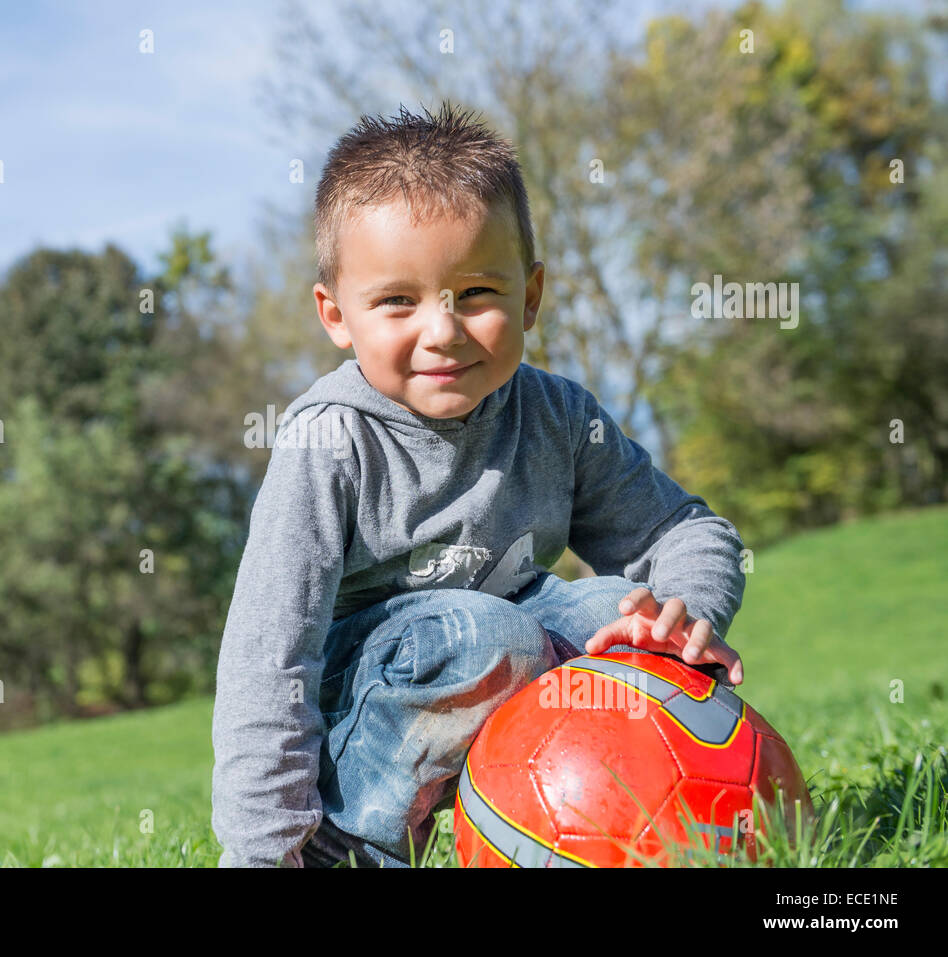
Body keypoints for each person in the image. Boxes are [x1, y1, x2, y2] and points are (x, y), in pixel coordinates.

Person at [210, 102, 747, 868]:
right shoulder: (327, 442)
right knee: (485, 635)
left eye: (476, 294)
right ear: (336, 314)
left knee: (609, 614)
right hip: (353, 698)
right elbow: (267, 660)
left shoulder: (558, 415)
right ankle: (350, 846)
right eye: (398, 300)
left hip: (501, 644)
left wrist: (680, 614)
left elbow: (683, 533)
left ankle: (609, 831)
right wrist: (264, 851)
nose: (443, 330)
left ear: (529, 297)